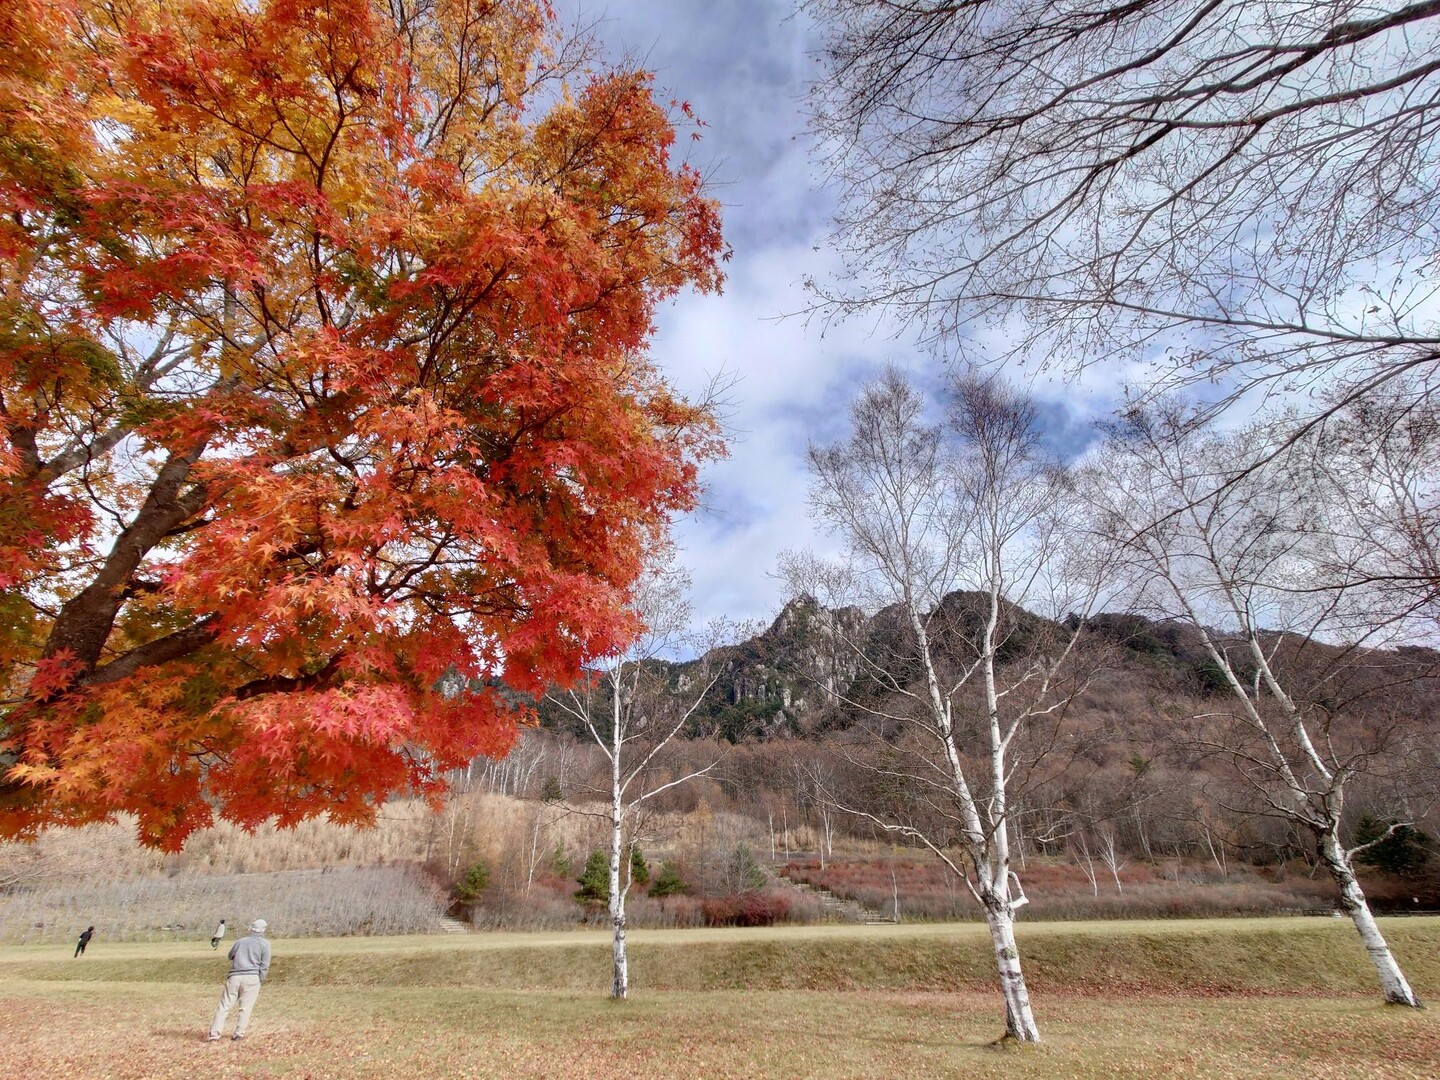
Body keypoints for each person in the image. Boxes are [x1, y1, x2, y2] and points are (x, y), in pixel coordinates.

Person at [207, 919, 271, 1042]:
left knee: (224, 1006)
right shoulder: (265, 944)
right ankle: (238, 1034)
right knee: (245, 1008)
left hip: (234, 976)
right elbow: (265, 965)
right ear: (263, 930)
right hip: (252, 977)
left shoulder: (240, 941)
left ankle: (214, 1035)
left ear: (251, 928)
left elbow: (230, 955)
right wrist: (260, 978)